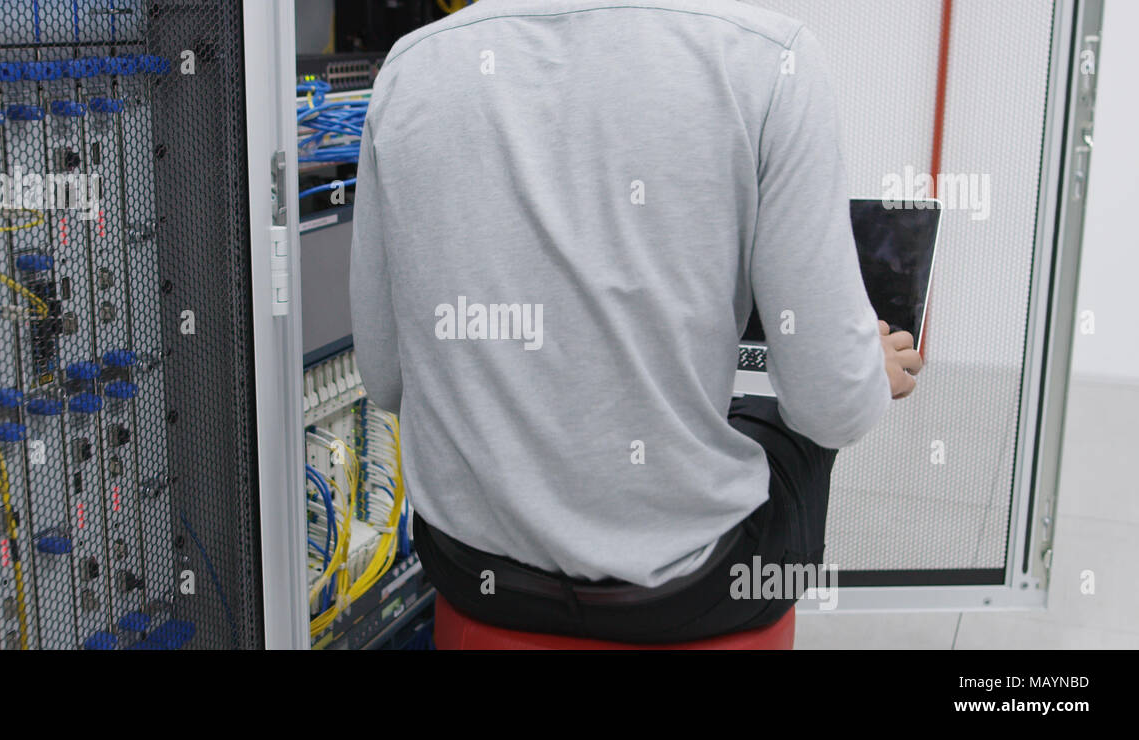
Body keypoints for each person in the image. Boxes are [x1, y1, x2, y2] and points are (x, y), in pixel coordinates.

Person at [349, 0, 923, 643]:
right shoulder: (770, 57)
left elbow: (387, 378)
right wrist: (858, 367)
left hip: (473, 571)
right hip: (696, 588)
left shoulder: (411, 67)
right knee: (797, 410)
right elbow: (832, 408)